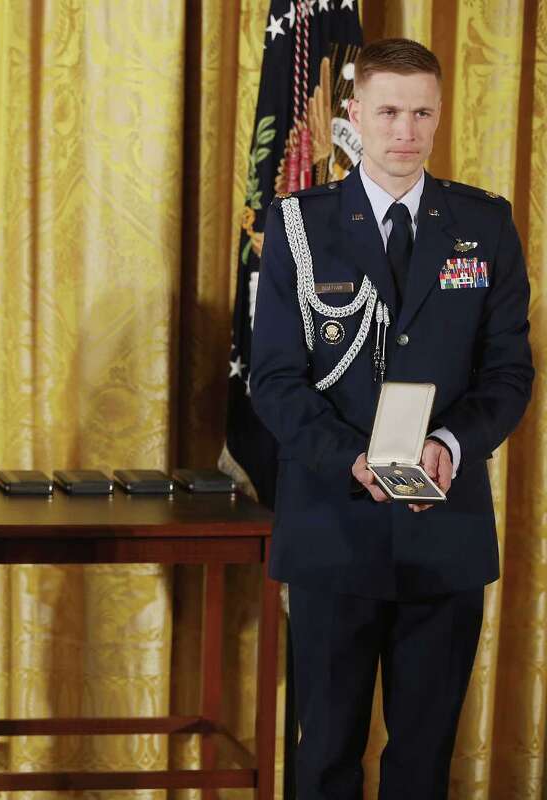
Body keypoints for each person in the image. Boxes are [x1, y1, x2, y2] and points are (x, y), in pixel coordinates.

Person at [250, 38, 533, 799]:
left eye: (421, 113)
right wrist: (351, 457)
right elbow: (275, 381)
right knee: (326, 754)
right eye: (387, 112)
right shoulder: (298, 227)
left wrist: (451, 442)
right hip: (332, 532)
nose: (404, 130)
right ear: (354, 116)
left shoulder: (485, 225)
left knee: (421, 763)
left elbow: (510, 372)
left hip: (445, 533)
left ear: (438, 117)